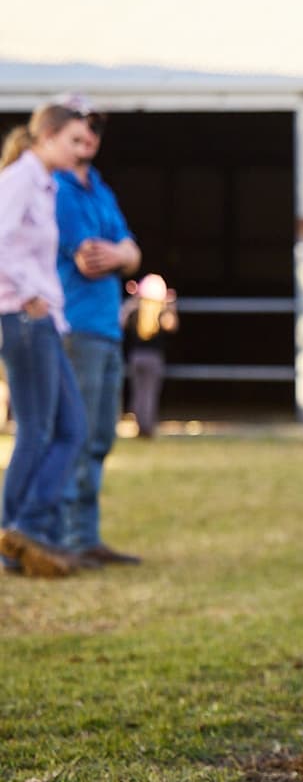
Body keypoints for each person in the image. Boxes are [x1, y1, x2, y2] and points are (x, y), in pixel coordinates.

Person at [0, 101, 94, 577]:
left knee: (67, 429)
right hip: (21, 318)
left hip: (43, 322)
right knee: (40, 432)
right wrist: (32, 292)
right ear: (48, 135)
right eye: (73, 141)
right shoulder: (19, 179)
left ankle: (26, 532)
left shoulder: (41, 183)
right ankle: (21, 532)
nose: (81, 150)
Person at [53, 96, 142, 565]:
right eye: (80, 126)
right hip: (77, 327)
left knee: (102, 434)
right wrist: (120, 253)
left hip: (106, 327)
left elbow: (131, 251)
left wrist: (124, 253)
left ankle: (87, 536)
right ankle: (68, 537)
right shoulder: (59, 189)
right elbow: (91, 258)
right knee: (78, 433)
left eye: (96, 128)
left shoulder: (99, 189)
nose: (90, 135)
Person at [123, 273, 177, 438]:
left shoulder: (135, 310)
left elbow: (121, 321)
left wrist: (132, 301)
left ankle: (140, 425)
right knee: (149, 393)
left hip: (136, 357)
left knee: (138, 392)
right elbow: (172, 325)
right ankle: (147, 427)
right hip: (154, 358)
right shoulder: (161, 312)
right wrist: (170, 305)